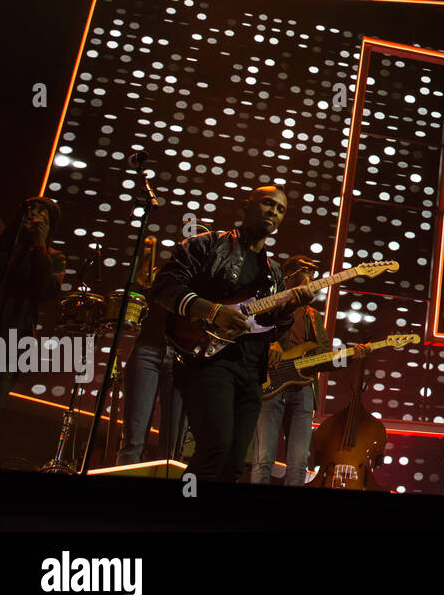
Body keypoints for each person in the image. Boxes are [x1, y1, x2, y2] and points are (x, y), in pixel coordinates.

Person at [151, 186, 313, 481]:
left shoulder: (274, 273)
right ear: (246, 206)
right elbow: (164, 287)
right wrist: (213, 311)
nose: (273, 212)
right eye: (268, 204)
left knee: (235, 465)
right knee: (215, 449)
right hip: (207, 359)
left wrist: (288, 312)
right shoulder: (206, 245)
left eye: (280, 210)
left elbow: (270, 332)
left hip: (251, 372)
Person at [245, 255, 367, 486]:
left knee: (299, 462)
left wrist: (350, 357)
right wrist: (269, 344)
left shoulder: (314, 316)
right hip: (269, 387)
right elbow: (247, 338)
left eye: (313, 272)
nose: (311, 277)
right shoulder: (268, 306)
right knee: (263, 459)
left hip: (302, 392)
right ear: (289, 275)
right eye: (305, 270)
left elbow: (323, 358)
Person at [0, 197, 66, 433]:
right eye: (30, 208)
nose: (33, 213)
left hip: (10, 341)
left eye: (42, 213)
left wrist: (39, 246)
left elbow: (44, 291)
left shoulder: (53, 256)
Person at [116, 236, 188, 465]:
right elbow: (141, 301)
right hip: (148, 350)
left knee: (171, 448)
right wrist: (144, 279)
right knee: (133, 439)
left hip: (182, 361)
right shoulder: (163, 275)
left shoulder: (208, 283)